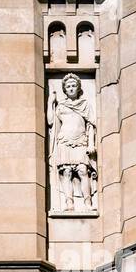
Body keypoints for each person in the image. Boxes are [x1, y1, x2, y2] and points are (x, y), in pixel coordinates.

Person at [49, 73, 97, 212]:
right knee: (67, 172)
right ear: (64, 89)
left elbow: (91, 125)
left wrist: (91, 143)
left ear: (78, 87)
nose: (71, 88)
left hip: (81, 140)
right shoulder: (61, 106)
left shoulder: (85, 105)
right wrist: (50, 102)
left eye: (73, 85)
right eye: (68, 86)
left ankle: (88, 202)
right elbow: (51, 121)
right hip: (64, 141)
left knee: (83, 171)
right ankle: (69, 203)